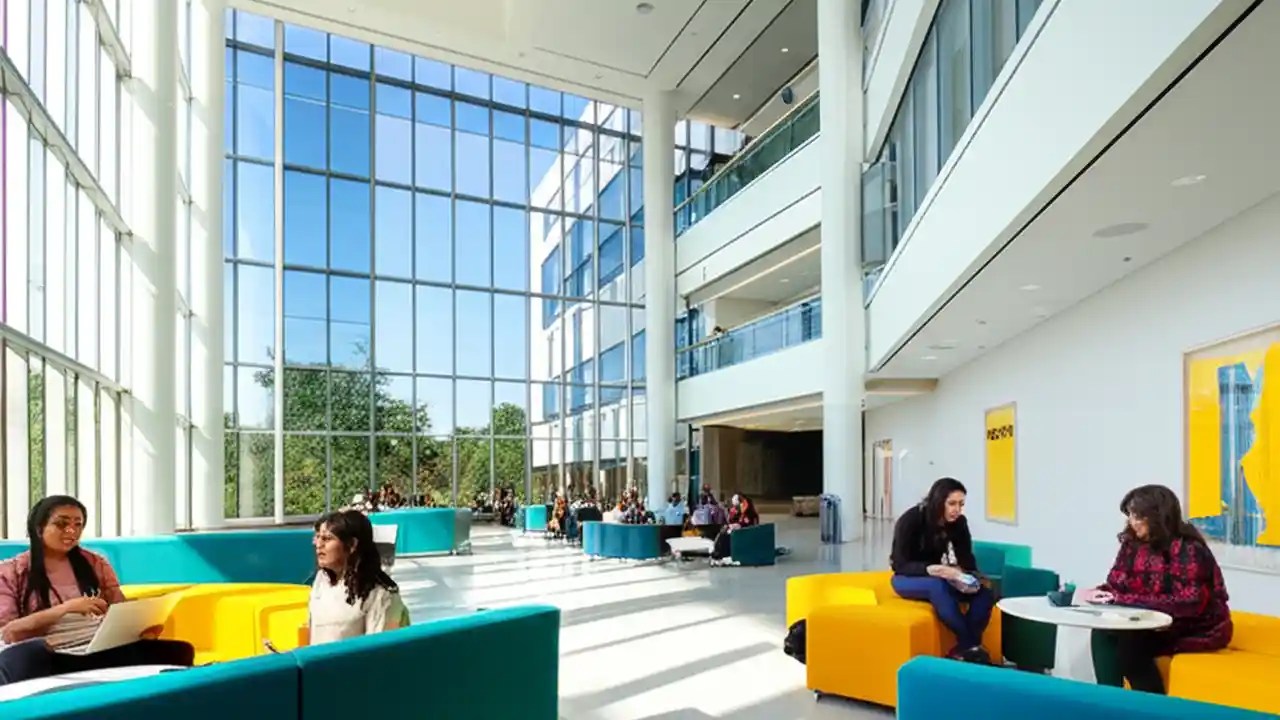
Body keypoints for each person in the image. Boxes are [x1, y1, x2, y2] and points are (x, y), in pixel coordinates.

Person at [0, 496, 195, 686]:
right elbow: (8, 632)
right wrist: (65, 608)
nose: (71, 531)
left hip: (95, 647)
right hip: (52, 651)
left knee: (179, 650)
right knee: (28, 656)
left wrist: (139, 630)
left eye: (78, 525)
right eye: (61, 524)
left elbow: (119, 610)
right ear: (39, 527)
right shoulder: (11, 571)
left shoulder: (96, 563)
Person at [1084, 485, 1231, 694]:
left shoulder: (1189, 548)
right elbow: (1117, 582)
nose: (1132, 523)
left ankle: (1152, 708)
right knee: (1101, 632)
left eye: (1138, 516)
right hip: (1148, 619)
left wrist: (1125, 600)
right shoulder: (1132, 543)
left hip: (1195, 626)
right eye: (1131, 516)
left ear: (1157, 516)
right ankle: (1109, 700)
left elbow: (1189, 604)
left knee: (1130, 642)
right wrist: (1100, 593)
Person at [889, 478, 995, 663]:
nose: (957, 510)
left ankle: (964, 649)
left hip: (942, 575)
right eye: (952, 504)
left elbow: (966, 558)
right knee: (937, 586)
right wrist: (932, 569)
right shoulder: (911, 520)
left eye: (961, 504)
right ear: (939, 501)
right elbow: (899, 564)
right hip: (907, 577)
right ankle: (971, 645)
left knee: (984, 593)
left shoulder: (959, 523)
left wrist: (970, 577)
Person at [310, 510, 408, 646]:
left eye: (327, 538)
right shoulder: (322, 579)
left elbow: (380, 653)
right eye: (317, 537)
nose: (318, 544)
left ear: (351, 545)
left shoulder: (381, 594)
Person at [710, 494, 760, 566]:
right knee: (723, 533)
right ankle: (718, 553)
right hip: (739, 529)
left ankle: (721, 554)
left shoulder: (748, 511)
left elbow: (746, 523)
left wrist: (734, 526)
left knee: (725, 536)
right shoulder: (736, 510)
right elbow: (733, 521)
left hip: (746, 532)